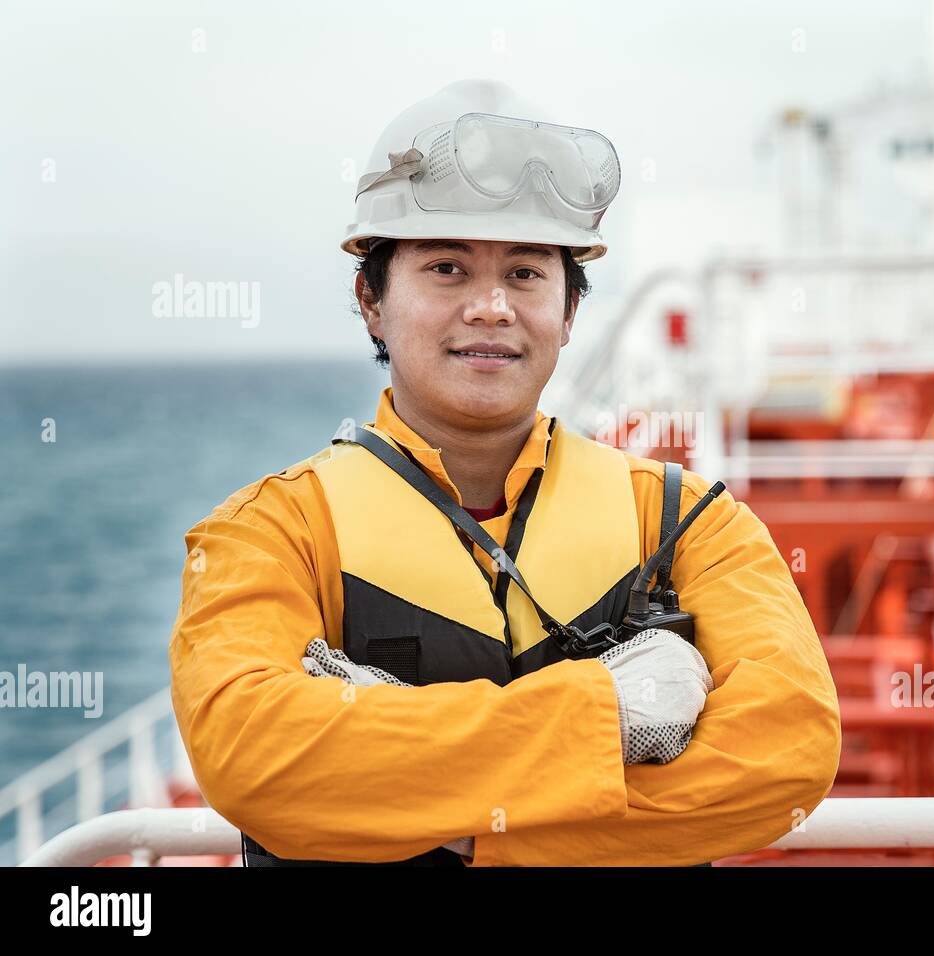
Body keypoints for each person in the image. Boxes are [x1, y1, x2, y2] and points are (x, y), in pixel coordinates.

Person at [167, 79, 841, 866]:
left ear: (570, 311)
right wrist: (610, 719)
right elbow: (254, 752)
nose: (491, 306)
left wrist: (446, 825)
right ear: (372, 301)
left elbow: (786, 754)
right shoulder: (272, 534)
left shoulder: (688, 521)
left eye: (526, 273)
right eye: (447, 268)